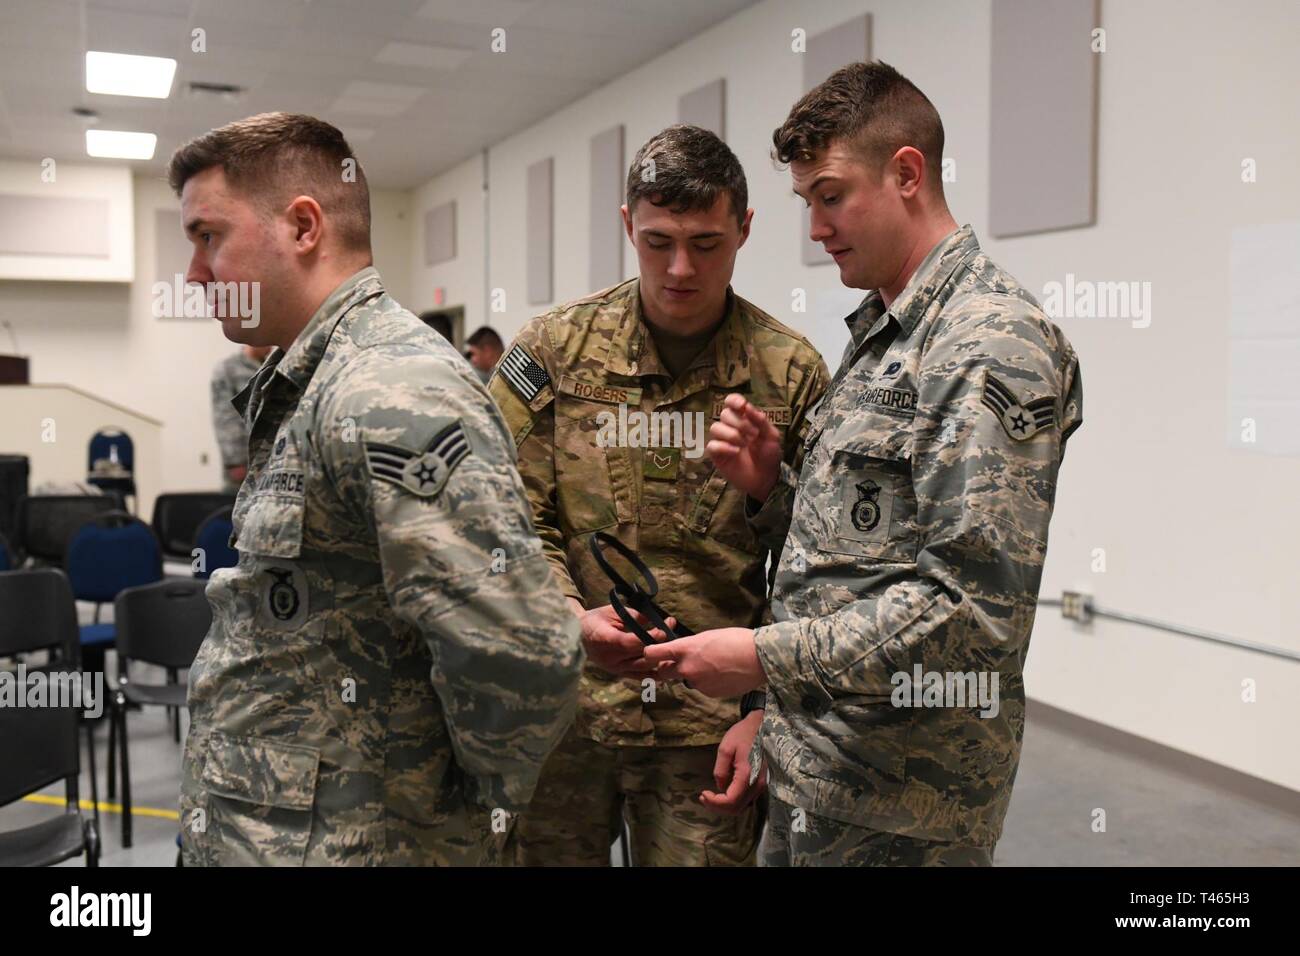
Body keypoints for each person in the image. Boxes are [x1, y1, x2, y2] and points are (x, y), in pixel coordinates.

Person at [644, 62, 1084, 866]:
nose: (816, 227)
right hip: (825, 766)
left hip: (903, 802)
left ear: (907, 173)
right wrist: (773, 491)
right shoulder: (891, 327)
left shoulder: (985, 342)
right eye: (807, 200)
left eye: (830, 195)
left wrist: (759, 659)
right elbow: (862, 553)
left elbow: (968, 612)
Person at [171, 111, 583, 866]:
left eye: (207, 237)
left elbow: (519, 651)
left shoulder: (391, 388)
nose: (194, 274)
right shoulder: (313, 375)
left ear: (302, 226)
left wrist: (457, 813)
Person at [488, 125, 828, 866]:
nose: (679, 268)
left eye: (706, 243)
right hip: (563, 710)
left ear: (744, 228)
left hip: (708, 729)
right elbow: (507, 517)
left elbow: (819, 561)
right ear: (625, 226)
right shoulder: (553, 349)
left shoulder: (789, 372)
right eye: (656, 241)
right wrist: (571, 617)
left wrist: (768, 710)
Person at [210, 344, 272, 491]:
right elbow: (225, 417)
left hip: (268, 463)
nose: (269, 348)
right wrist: (236, 462)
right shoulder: (228, 369)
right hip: (243, 464)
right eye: (266, 344)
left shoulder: (270, 366)